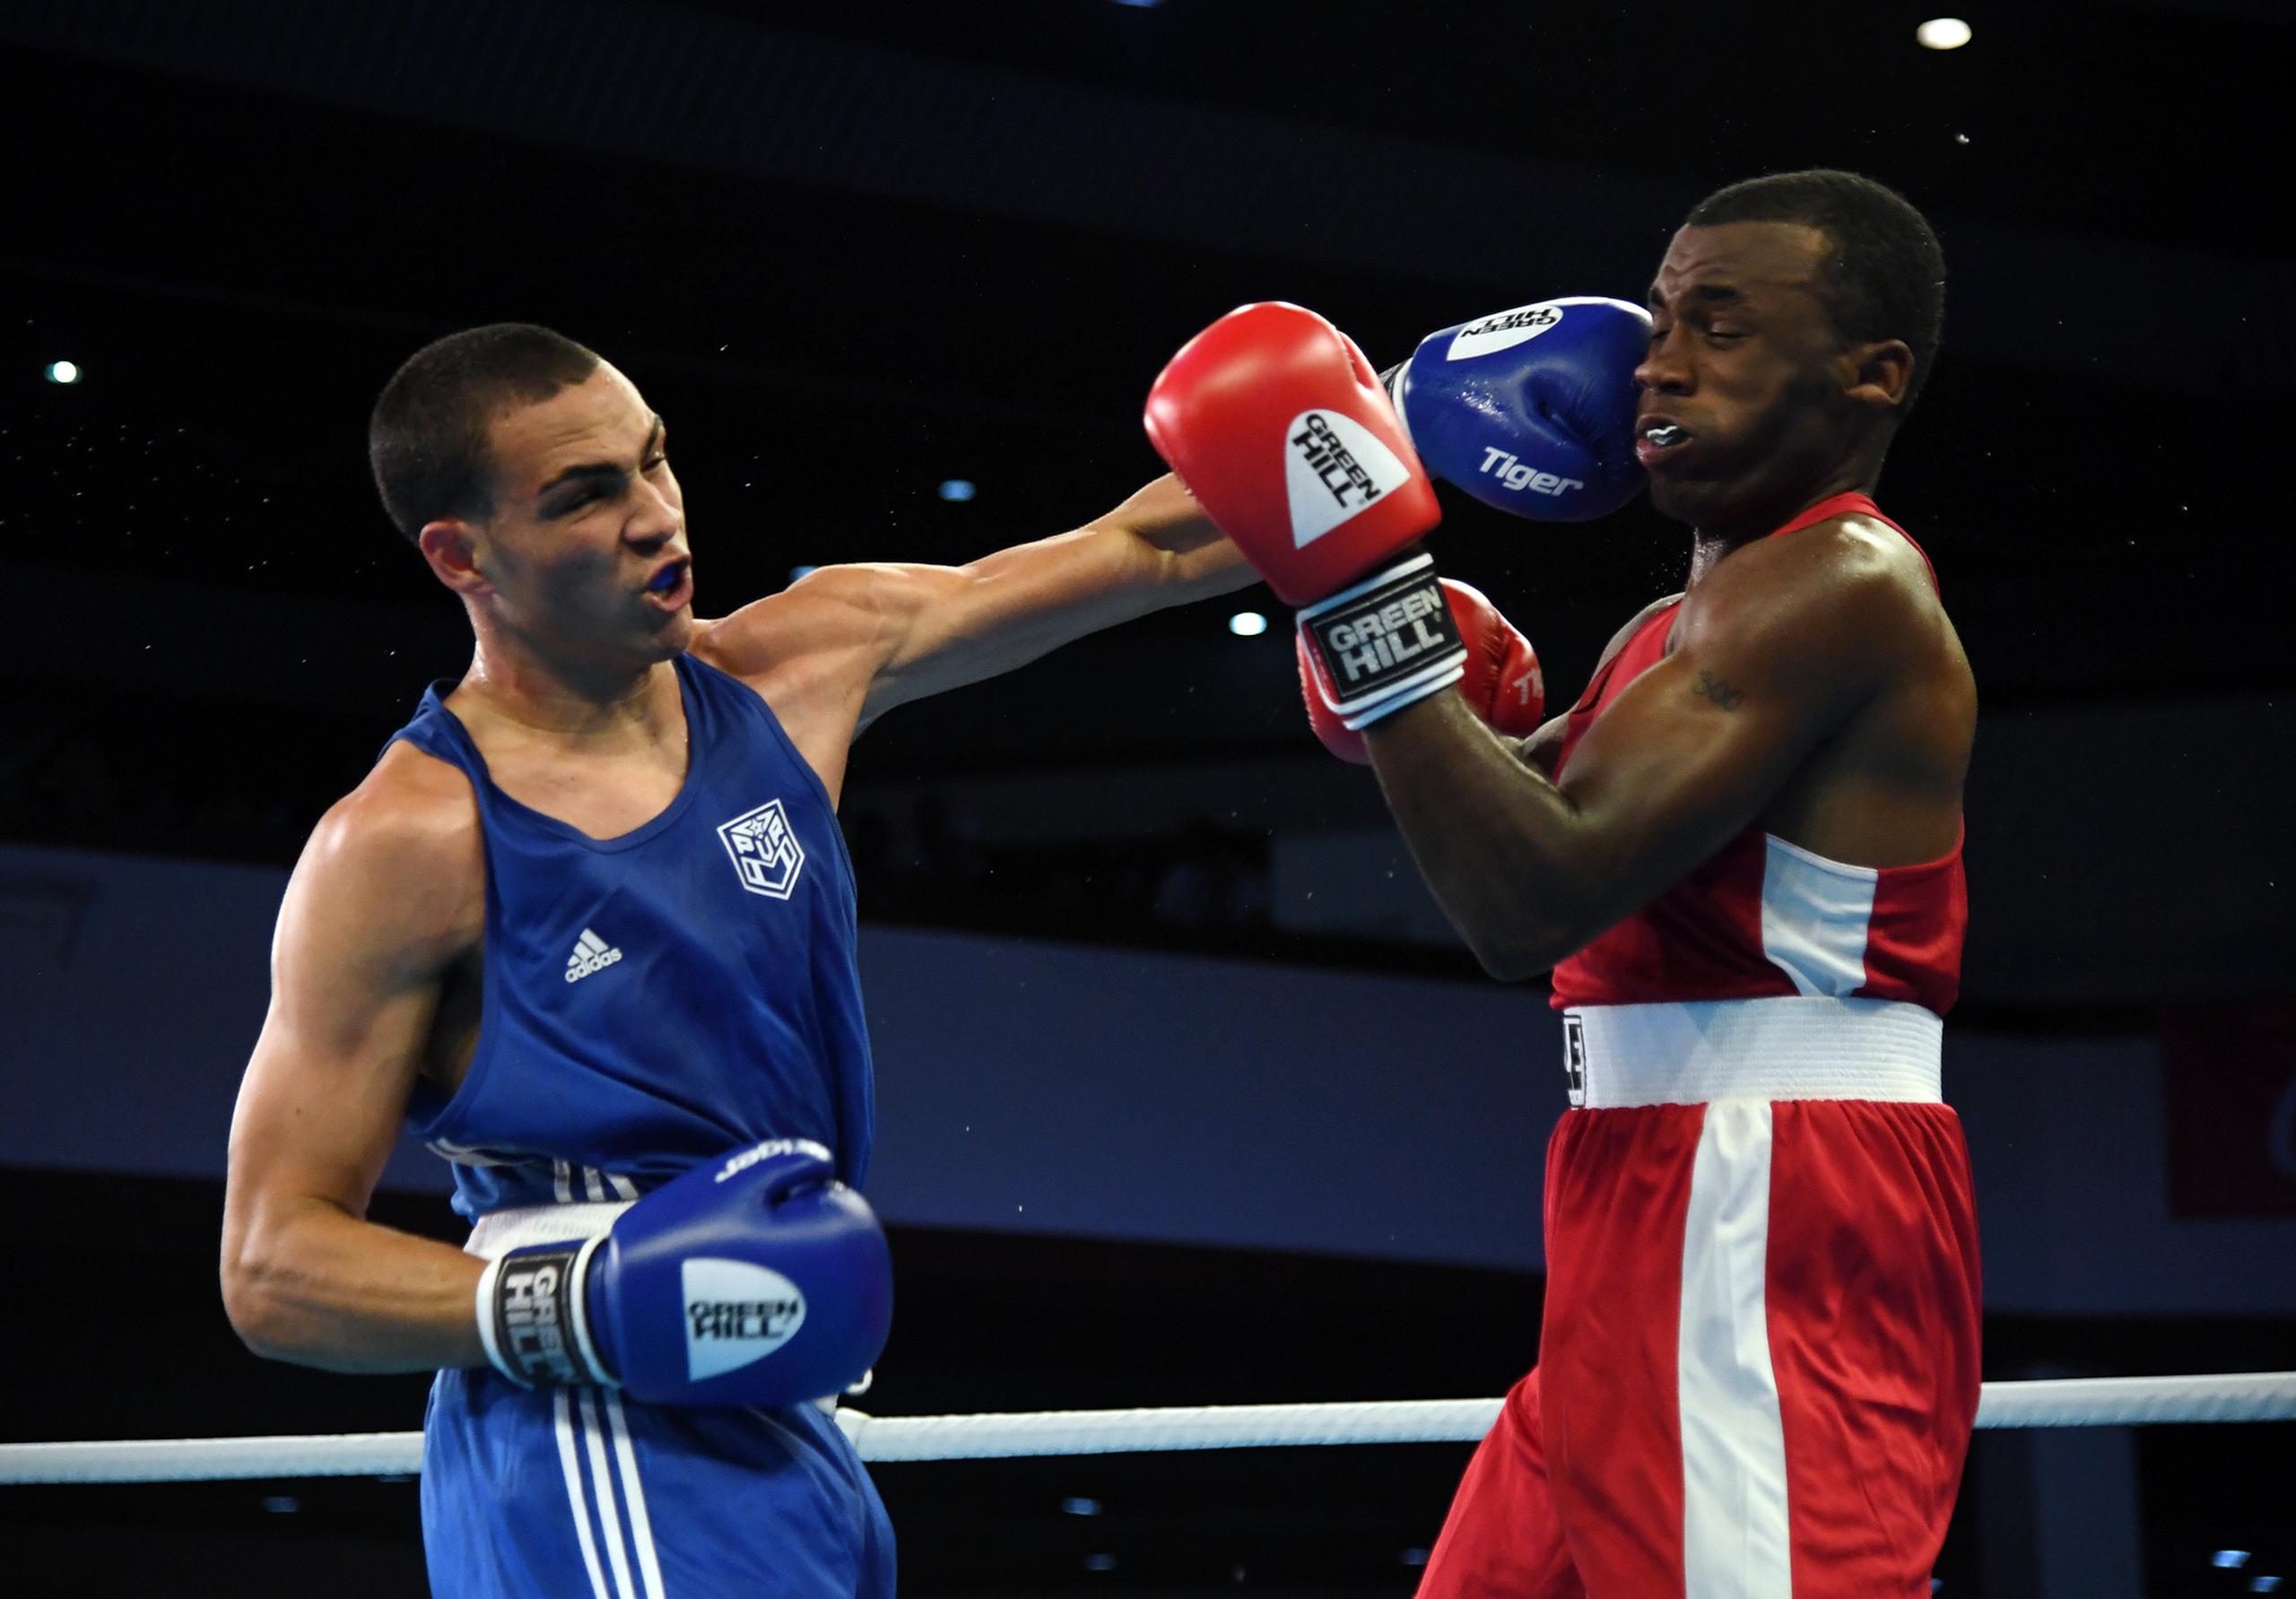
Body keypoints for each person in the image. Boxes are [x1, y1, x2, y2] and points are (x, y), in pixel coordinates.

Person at [218, 322, 1248, 1598]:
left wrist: (1391, 433)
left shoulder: (792, 667)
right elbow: (272, 1265)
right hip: (590, 1431)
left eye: (656, 464)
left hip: (786, 1413)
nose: (657, 518)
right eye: (589, 495)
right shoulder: (409, 840)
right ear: (459, 554)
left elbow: (1144, 548)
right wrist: (588, 1303)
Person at [1150, 169, 1978, 1596]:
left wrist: (1364, 599)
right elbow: (1503, 814)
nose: (1659, 359)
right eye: (1661, 317)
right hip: (1641, 1190)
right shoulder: (1682, 618)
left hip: (1772, 1191)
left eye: (1721, 326)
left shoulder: (1842, 584)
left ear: (1872, 374)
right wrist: (1426, 690)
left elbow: (1529, 900)